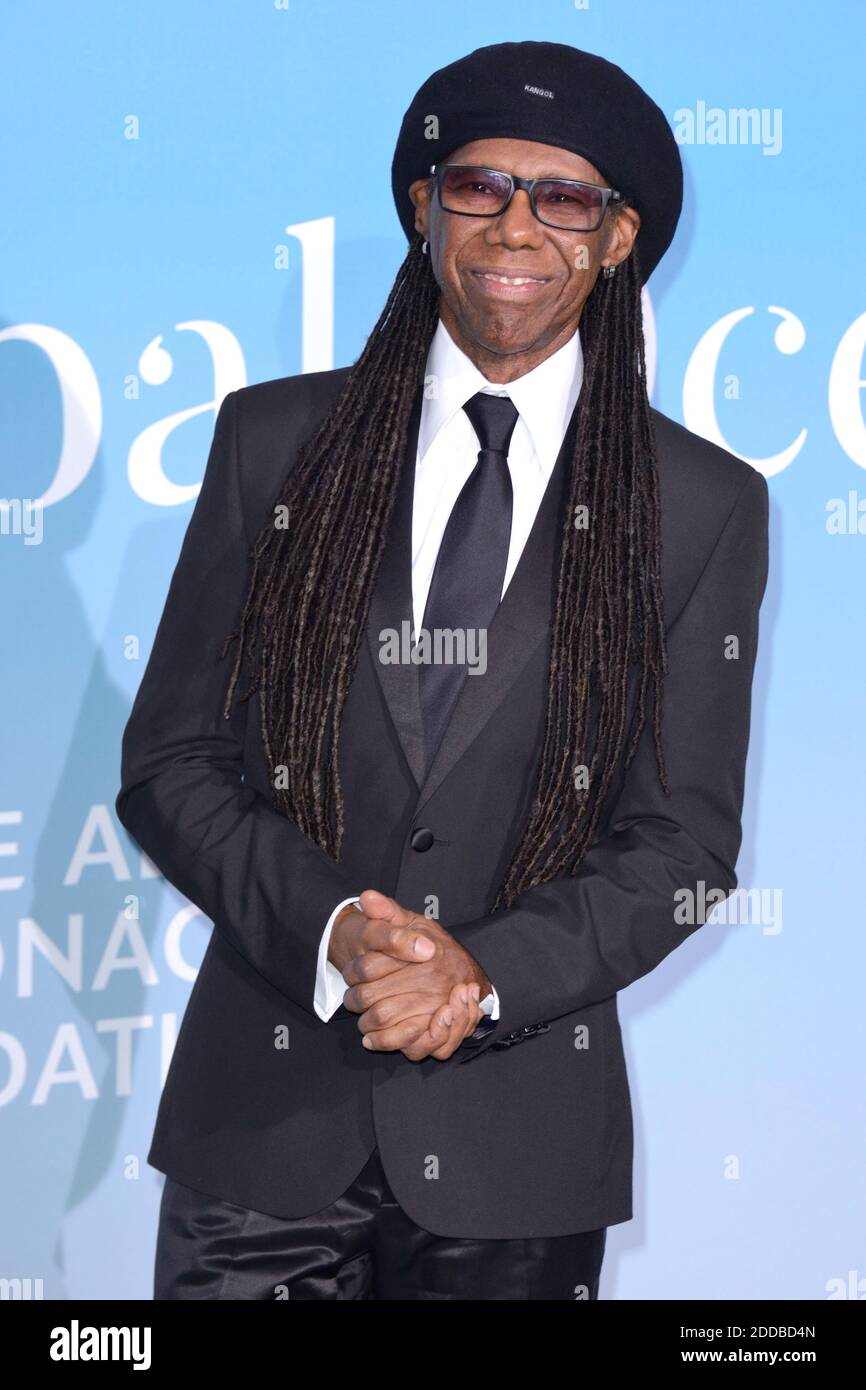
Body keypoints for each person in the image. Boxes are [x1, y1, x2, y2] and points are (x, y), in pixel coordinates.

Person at [116, 40, 769, 1300]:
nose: (514, 224)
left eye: (562, 196)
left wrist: (477, 976)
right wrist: (337, 929)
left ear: (616, 237)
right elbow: (171, 763)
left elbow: (682, 851)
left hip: (518, 1154)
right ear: (424, 211)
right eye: (477, 185)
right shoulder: (275, 443)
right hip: (260, 1135)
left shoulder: (699, 506)